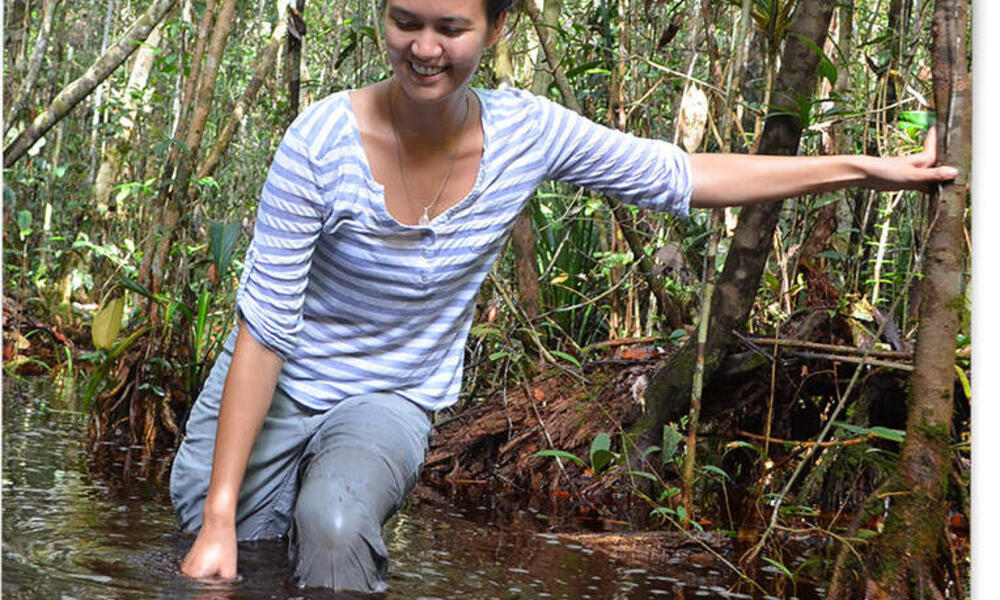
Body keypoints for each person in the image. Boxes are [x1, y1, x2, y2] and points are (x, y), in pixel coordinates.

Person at [170, 0, 959, 593]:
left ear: (496, 29)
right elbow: (265, 332)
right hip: (268, 392)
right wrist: (216, 517)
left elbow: (684, 176)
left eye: (452, 27)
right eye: (405, 21)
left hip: (388, 394)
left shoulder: (528, 133)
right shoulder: (319, 142)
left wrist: (863, 166)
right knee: (234, 564)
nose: (424, 48)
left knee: (335, 532)